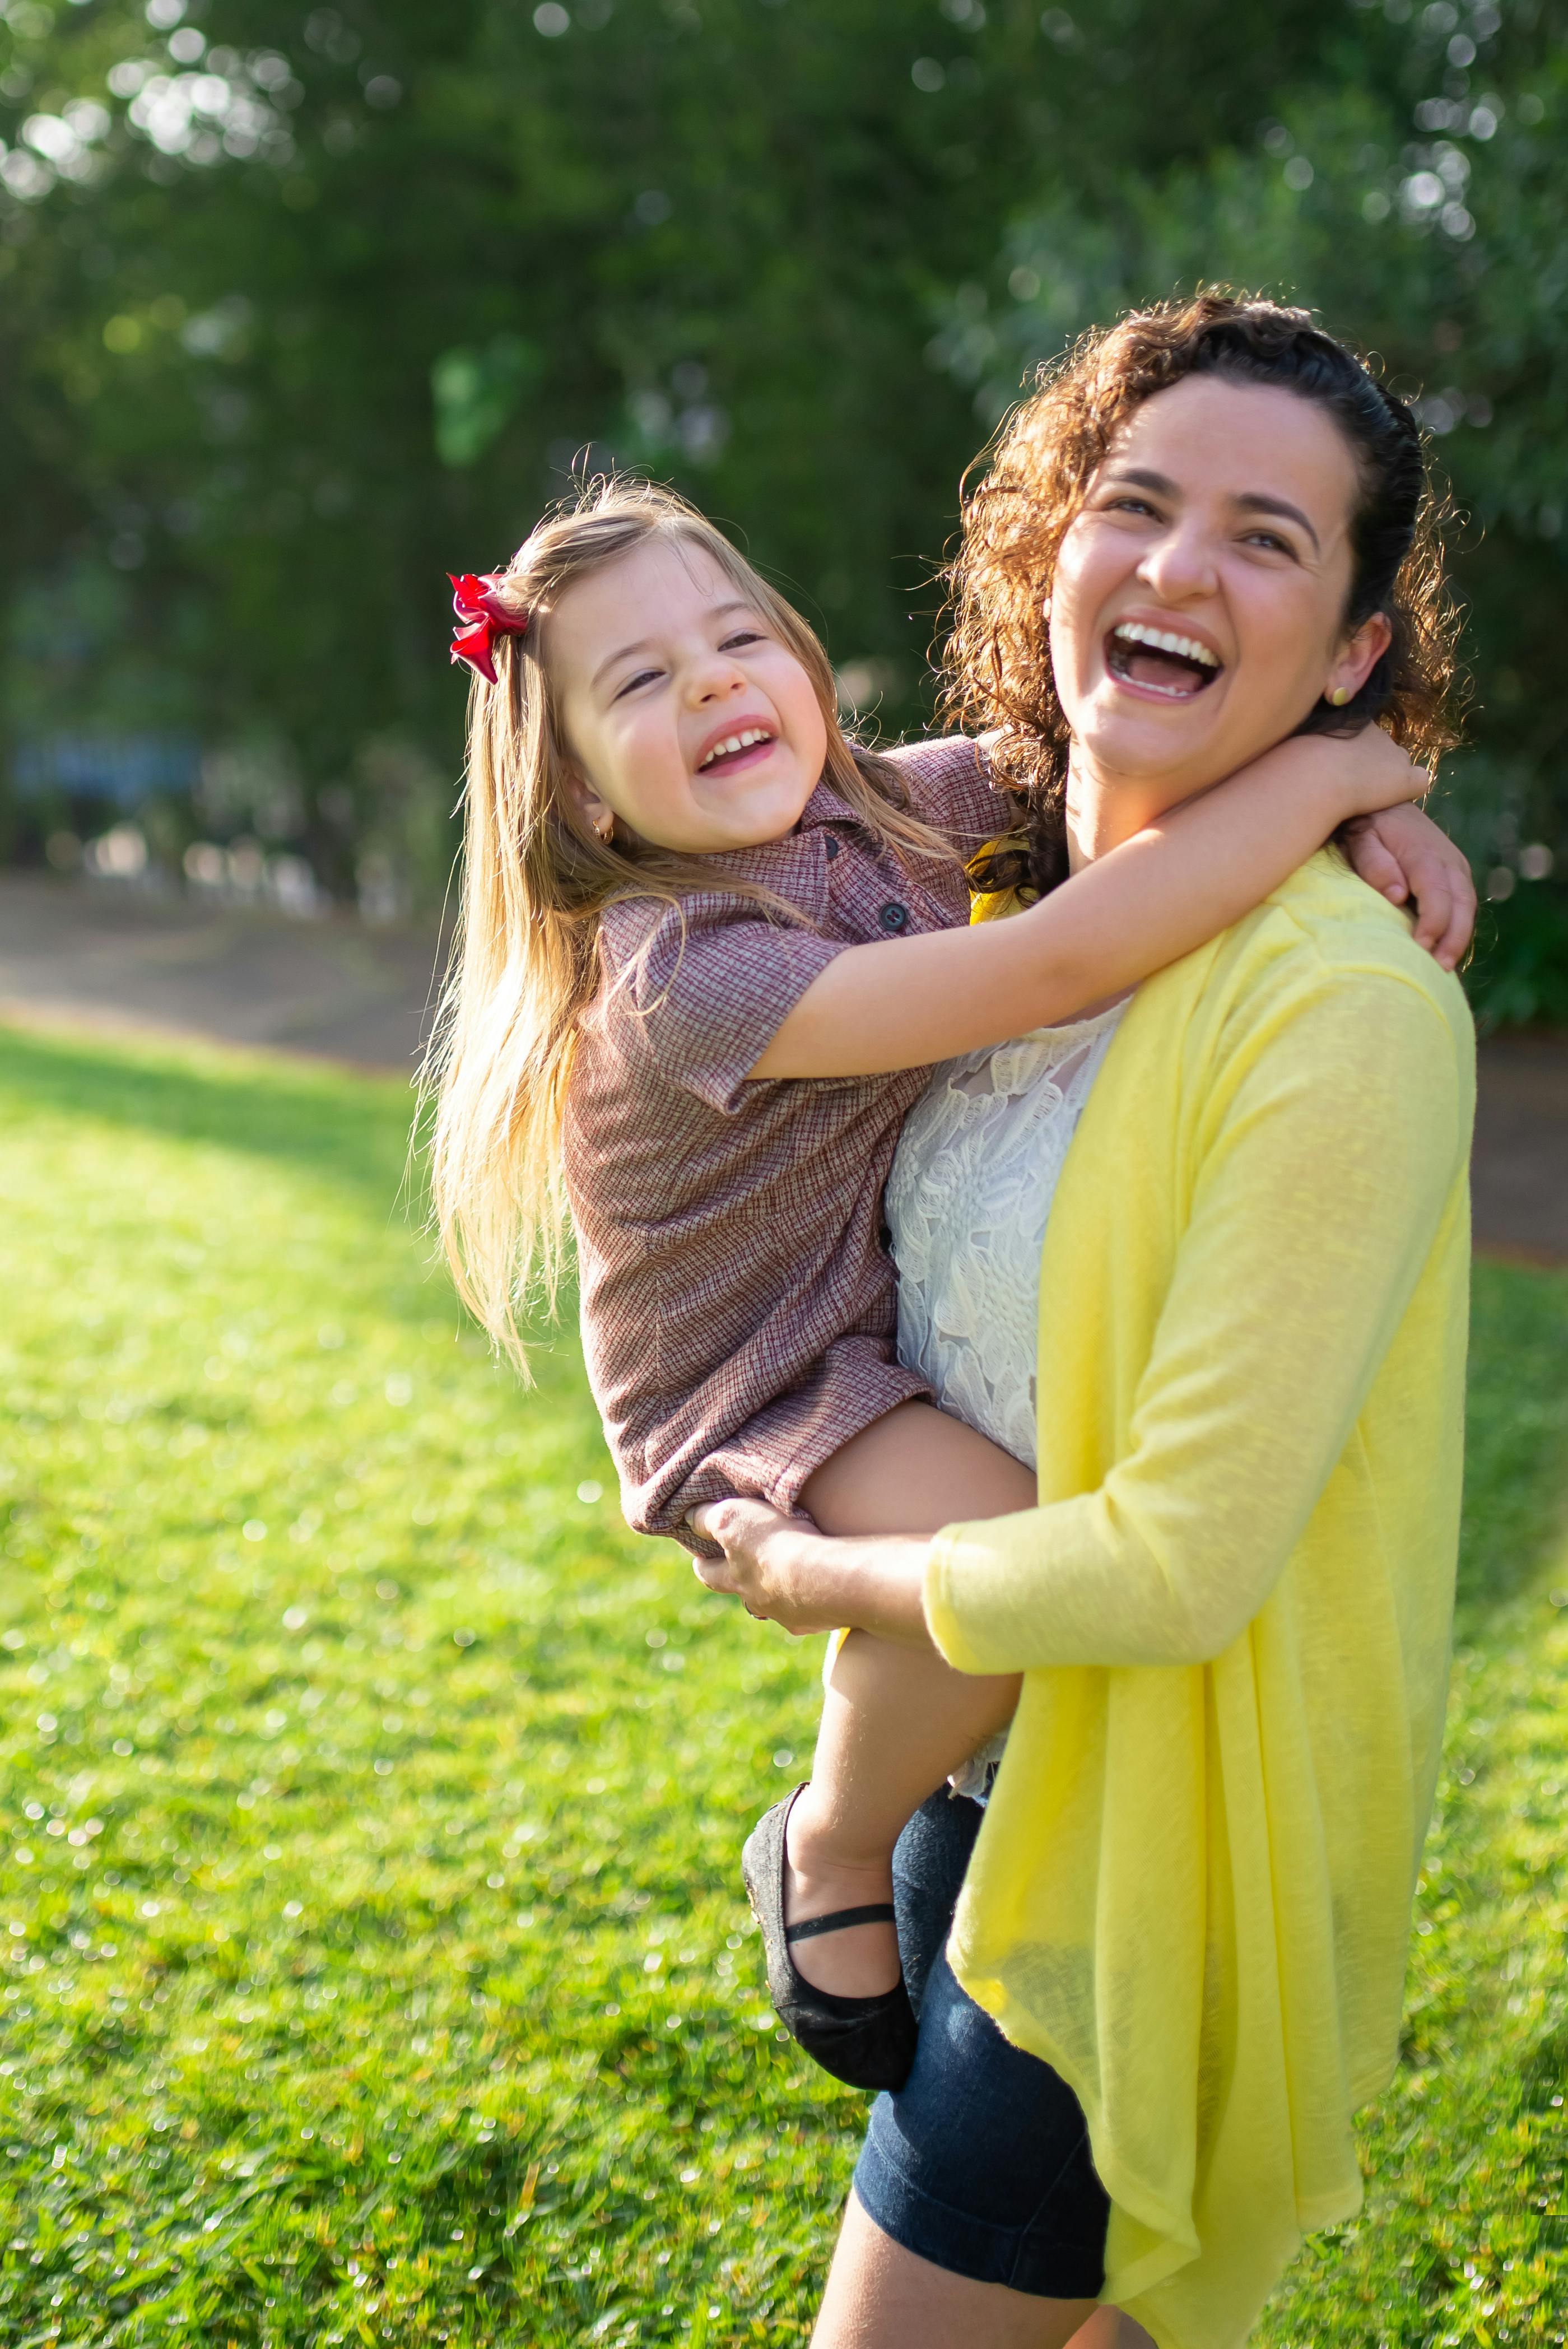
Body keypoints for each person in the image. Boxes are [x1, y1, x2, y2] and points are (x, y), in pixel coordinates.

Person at [423, 476, 1465, 2096]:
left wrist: (1358, 817)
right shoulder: (683, 972)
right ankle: (829, 1840)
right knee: (1003, 1552)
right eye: (638, 681)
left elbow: (1142, 774)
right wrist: (1340, 764)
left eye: (734, 634)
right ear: (585, 805)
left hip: (852, 1299)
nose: (708, 682)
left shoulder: (898, 805)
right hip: (757, 1372)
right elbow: (1057, 961)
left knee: (1011, 1572)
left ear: (804, 657)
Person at [691, 296, 1477, 2349]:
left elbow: (1183, 1560)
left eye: (1269, 538)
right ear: (1052, 552)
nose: (1178, 566)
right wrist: (1345, 788)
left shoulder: (1344, 1011)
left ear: (1354, 650)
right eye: (1134, 503)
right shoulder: (972, 886)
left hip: (1158, 1838)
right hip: (974, 1770)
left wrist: (817, 1575)